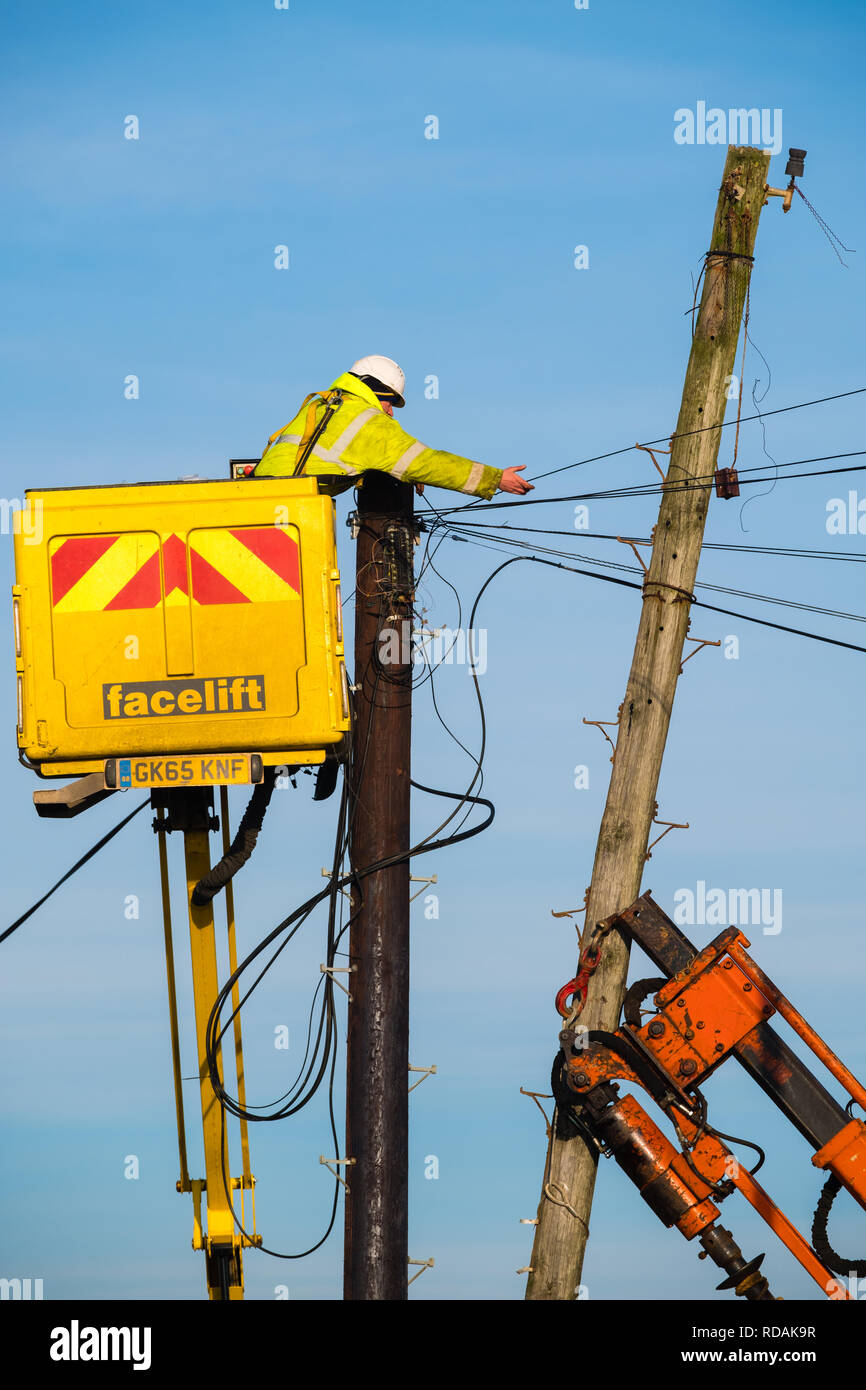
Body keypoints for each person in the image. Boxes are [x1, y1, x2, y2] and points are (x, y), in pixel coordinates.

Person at [254, 355, 533, 499]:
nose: (390, 412)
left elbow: (323, 463)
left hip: (253, 502)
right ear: (376, 393)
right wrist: (495, 479)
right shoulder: (368, 421)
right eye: (390, 403)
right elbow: (428, 462)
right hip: (295, 511)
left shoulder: (320, 406)